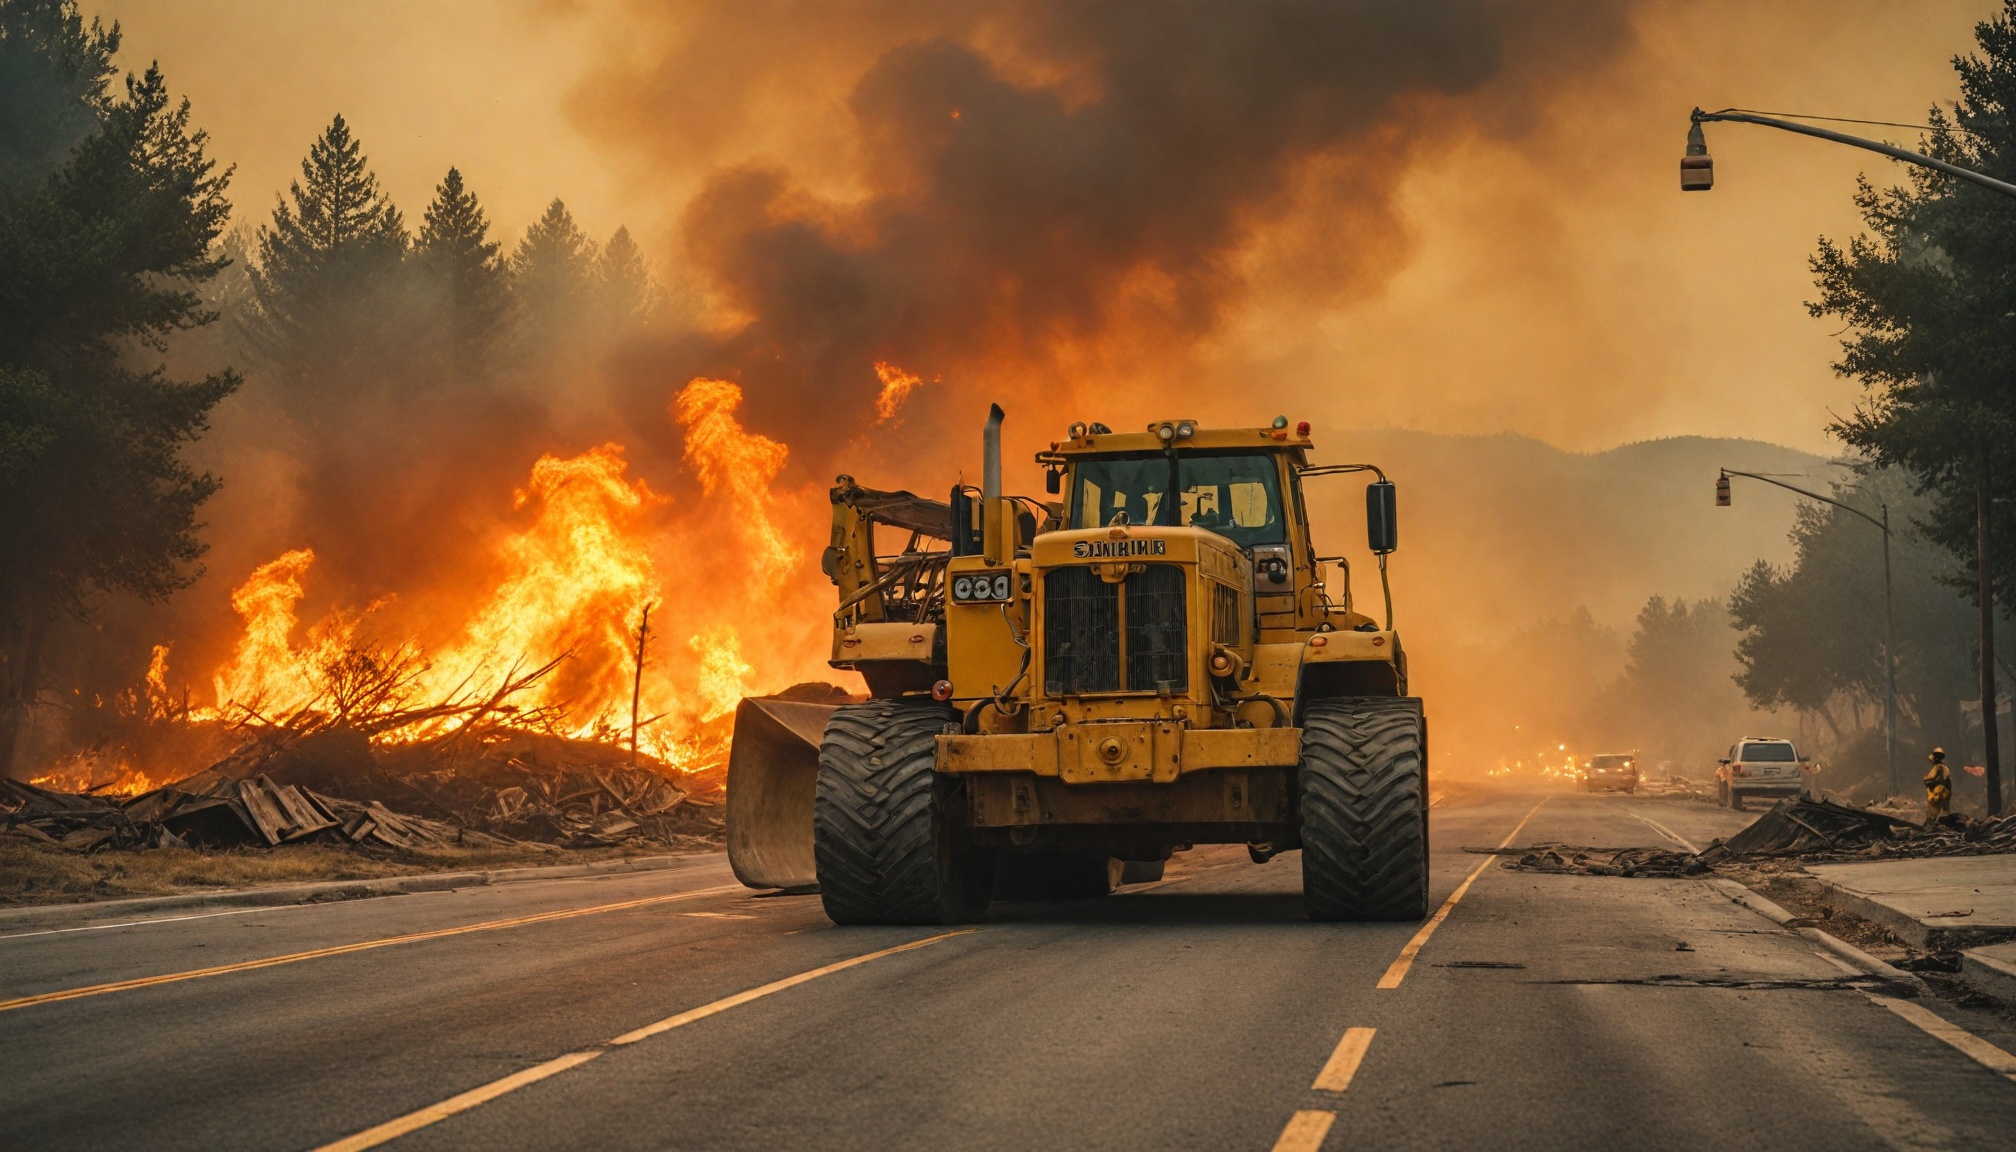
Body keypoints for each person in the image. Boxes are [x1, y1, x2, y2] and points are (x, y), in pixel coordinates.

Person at [1924, 747, 1952, 823]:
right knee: (1933, 812)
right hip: (1936, 793)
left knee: (1939, 812)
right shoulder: (1937, 768)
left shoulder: (1941, 768)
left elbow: (1940, 780)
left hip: (1940, 792)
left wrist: (1930, 782)